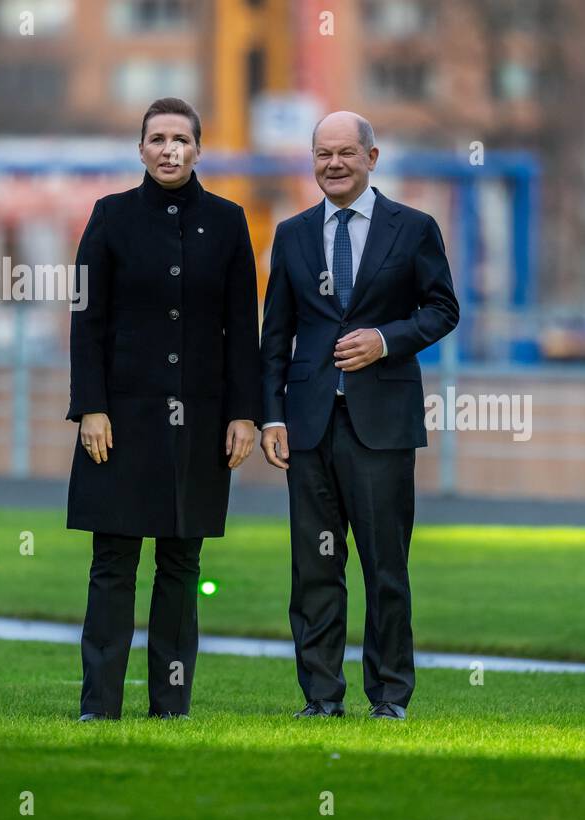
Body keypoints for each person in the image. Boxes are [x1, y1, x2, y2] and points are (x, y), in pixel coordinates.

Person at [259, 111, 459, 721]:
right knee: (314, 569)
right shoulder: (291, 234)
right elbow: (276, 337)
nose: (334, 164)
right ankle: (321, 698)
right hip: (309, 425)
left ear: (372, 158)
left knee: (385, 568)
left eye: (346, 152)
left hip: (382, 425)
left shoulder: (414, 228)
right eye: (323, 154)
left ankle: (390, 696)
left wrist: (386, 340)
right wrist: (271, 418)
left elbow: (443, 309)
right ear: (312, 160)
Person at [66, 97, 260, 720]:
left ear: (199, 149)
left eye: (181, 138)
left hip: (201, 423)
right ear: (141, 149)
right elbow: (86, 320)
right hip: (120, 420)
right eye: (157, 139)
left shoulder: (229, 223)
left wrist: (244, 413)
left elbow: (241, 327)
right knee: (113, 561)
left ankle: (171, 704)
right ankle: (99, 704)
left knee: (182, 563)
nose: (169, 149)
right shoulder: (110, 217)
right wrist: (91, 408)